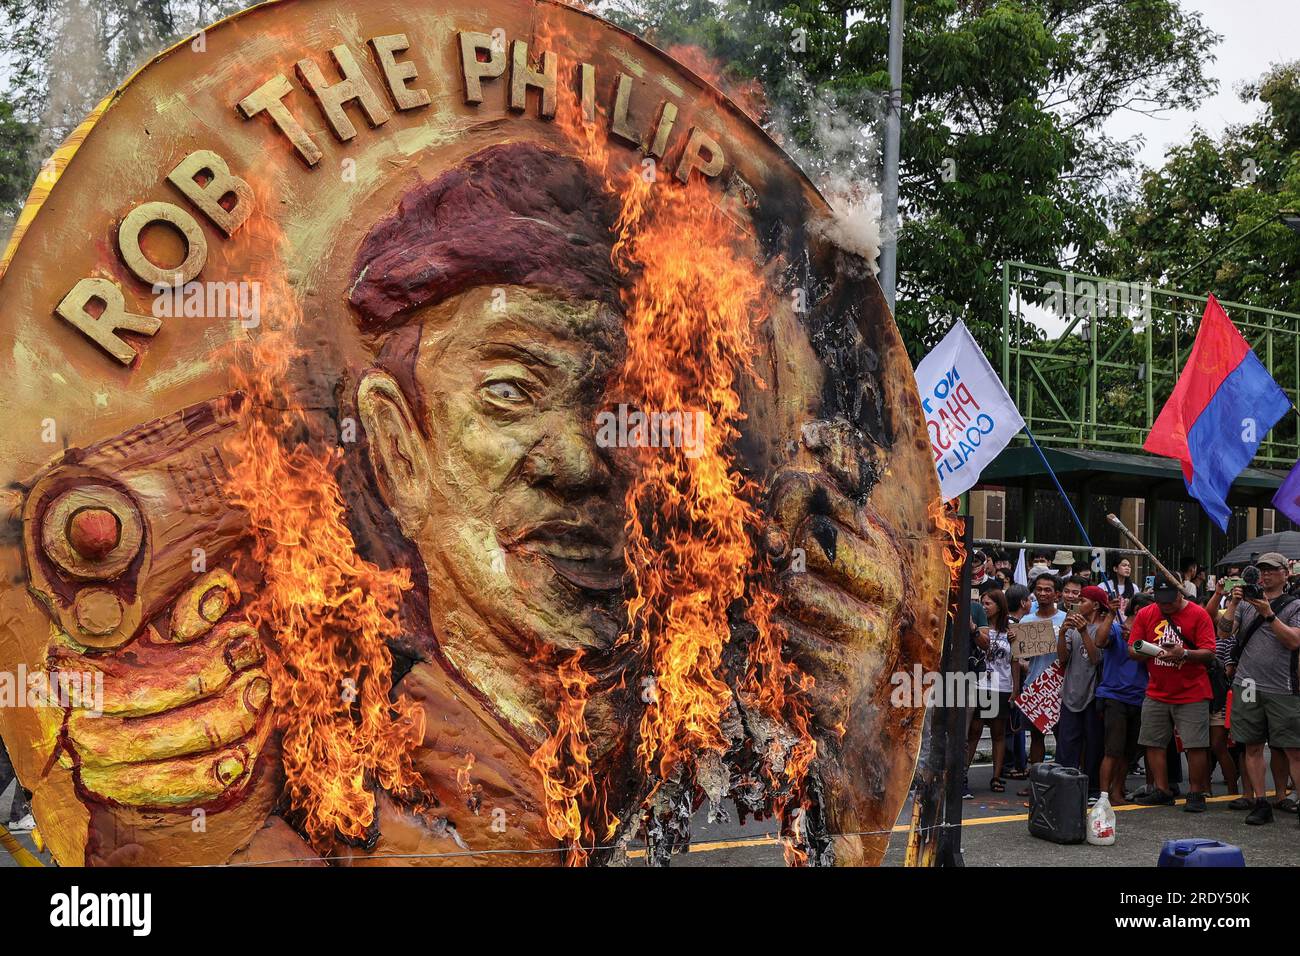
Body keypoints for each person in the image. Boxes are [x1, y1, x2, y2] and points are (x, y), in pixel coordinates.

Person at [1216, 552, 1300, 826]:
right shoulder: (1245, 602)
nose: (1265, 575)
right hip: (1248, 683)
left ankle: (1289, 797)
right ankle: (1261, 802)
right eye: (1262, 570)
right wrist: (1233, 602)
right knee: (1251, 744)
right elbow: (1224, 633)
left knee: (1291, 748)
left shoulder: (1294, 605)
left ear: (1285, 574)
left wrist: (1269, 614)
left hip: (1282, 686)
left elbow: (1293, 642)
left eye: (1272, 570)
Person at [1128, 579, 1216, 811]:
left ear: (1180, 594)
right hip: (1156, 690)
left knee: (1195, 745)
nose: (1165, 606)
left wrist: (1183, 653)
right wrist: (1146, 650)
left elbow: (1209, 652)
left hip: (1192, 691)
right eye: (1160, 601)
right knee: (1153, 743)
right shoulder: (1147, 613)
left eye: (1170, 601)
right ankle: (1161, 789)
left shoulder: (1199, 614)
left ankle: (1196, 792)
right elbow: (1132, 648)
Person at [1056, 585, 1114, 797]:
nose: (1078, 605)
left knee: (1093, 744)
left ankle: (1091, 789)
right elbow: (1062, 658)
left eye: (1083, 601)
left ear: (1096, 605)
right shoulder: (1072, 625)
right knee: (1067, 742)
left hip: (1094, 694)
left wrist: (1082, 631)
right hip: (1071, 691)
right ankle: (1064, 786)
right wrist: (1063, 633)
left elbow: (1096, 658)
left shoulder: (1103, 628)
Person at [1014, 573, 1068, 795]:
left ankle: (1064, 781)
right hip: (1034, 685)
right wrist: (1017, 688)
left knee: (1062, 736)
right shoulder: (1026, 621)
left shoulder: (1066, 619)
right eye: (1039, 589)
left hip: (1059, 686)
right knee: (1036, 737)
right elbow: (1018, 658)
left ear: (1057, 594)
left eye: (1048, 590)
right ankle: (1035, 782)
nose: (1043, 593)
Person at [1096, 592, 1150, 804]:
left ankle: (1117, 790)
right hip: (1114, 696)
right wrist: (1110, 613)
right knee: (1112, 750)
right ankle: (1103, 795)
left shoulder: (1145, 633)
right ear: (1139, 611)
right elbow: (1100, 641)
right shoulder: (1117, 629)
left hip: (1139, 696)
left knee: (1128, 752)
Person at [967, 589, 1013, 794]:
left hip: (1001, 685)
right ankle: (963, 773)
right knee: (974, 731)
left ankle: (996, 776)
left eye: (988, 604)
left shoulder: (1011, 630)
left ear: (999, 606)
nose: (984, 607)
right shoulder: (979, 629)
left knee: (998, 733)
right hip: (980, 684)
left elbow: (1015, 661)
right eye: (983, 603)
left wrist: (1016, 688)